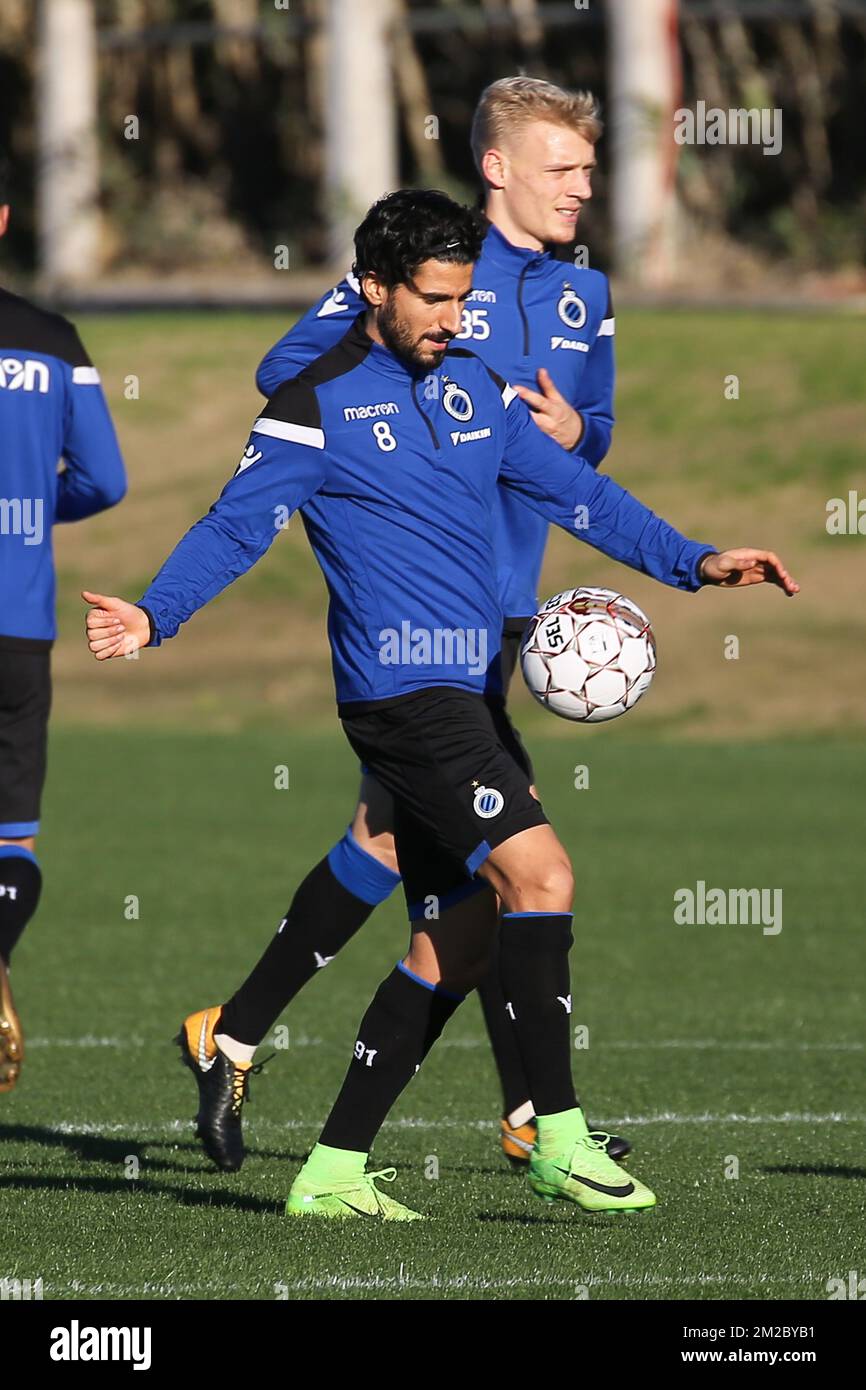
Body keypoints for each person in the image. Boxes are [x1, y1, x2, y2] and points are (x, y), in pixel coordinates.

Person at [84, 189, 797, 1218]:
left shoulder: (474, 384)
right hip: (402, 700)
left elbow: (575, 493)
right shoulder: (311, 403)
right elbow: (233, 528)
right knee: (541, 872)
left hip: (464, 691)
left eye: (461, 297)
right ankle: (553, 1135)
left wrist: (691, 560)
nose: (450, 318)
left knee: (456, 948)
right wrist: (156, 617)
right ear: (370, 289)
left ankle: (331, 1171)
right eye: (429, 298)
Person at [180, 76, 625, 1174]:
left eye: (586, 168)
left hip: (504, 611)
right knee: (504, 868)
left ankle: (233, 1035)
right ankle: (532, 1115)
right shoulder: (417, 261)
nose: (581, 187)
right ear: (497, 169)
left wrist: (580, 429)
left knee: (402, 843)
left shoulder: (584, 292)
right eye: (561, 168)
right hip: (417, 626)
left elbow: (588, 440)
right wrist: (385, 333)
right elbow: (285, 378)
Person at [0, 154, 127, 1090]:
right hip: (18, 625)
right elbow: (108, 481)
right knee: (11, 839)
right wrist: (36, 511)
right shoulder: (53, 338)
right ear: (5, 221)